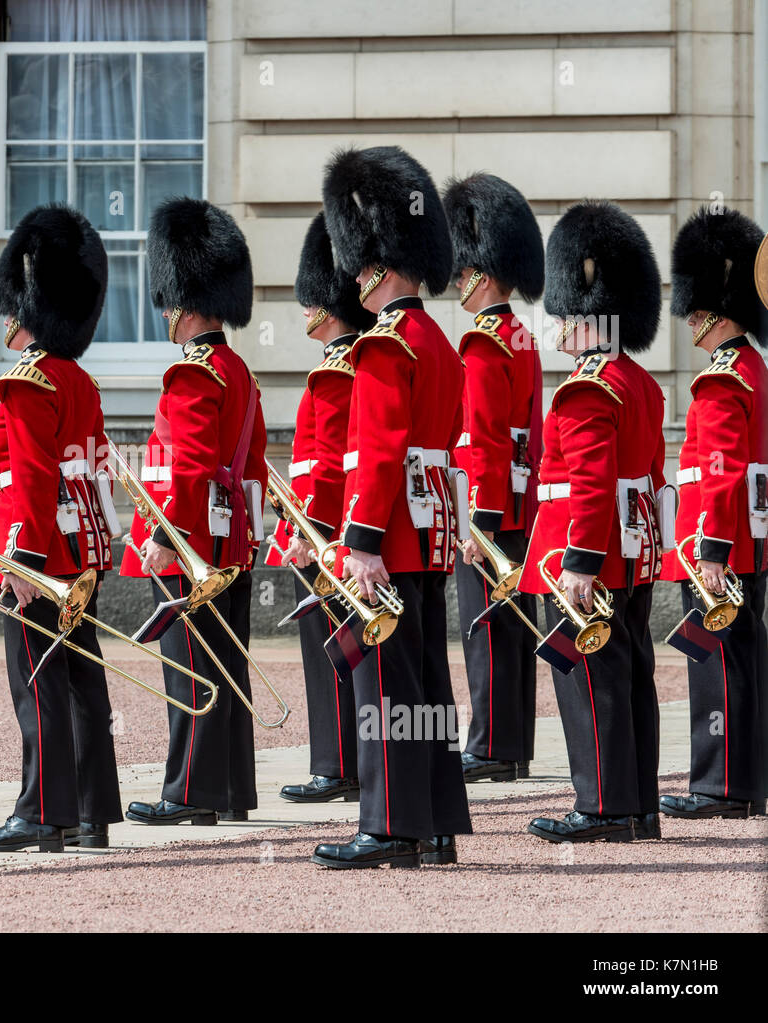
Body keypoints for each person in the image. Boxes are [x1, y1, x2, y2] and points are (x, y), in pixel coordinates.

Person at [312, 145, 472, 869]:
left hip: (392, 537)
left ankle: (387, 826)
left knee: (386, 683)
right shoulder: (437, 343)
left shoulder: (384, 346)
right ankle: (434, 823)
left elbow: (375, 452)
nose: (352, 276)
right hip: (430, 535)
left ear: (375, 264)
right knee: (427, 680)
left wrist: (362, 540)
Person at [0, 204, 124, 853]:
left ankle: (41, 811)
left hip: (38, 556)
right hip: (79, 550)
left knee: (38, 684)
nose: (7, 317)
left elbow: (31, 476)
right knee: (82, 680)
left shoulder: (28, 381)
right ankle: (89, 810)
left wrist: (22, 564)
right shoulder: (78, 378)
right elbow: (96, 467)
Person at [521, 201, 667, 844]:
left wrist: (579, 561)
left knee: (590, 682)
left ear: (585, 315)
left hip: (585, 559)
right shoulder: (640, 383)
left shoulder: (587, 387)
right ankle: (637, 807)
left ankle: (603, 809)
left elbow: (589, 482)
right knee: (630, 677)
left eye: (562, 316)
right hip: (631, 553)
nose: (554, 326)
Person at [121, 197, 267, 827]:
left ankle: (189, 793)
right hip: (229, 540)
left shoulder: (192, 374)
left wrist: (162, 532)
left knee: (189, 671)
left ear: (180, 302)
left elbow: (189, 464)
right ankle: (229, 789)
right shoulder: (238, 371)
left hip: (190, 544)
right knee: (224, 666)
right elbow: (251, 467)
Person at [658, 208, 767, 821]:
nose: (691, 320)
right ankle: (743, 781)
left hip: (718, 548)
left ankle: (719, 786)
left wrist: (710, 552)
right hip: (743, 545)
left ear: (719, 310)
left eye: (698, 310)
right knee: (742, 663)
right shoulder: (752, 369)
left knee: (718, 668)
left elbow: (720, 473)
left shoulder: (722, 379)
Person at [442, 172, 545, 782]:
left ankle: (490, 746)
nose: (456, 281)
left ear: (480, 273)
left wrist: (475, 520)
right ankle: (512, 746)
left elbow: (479, 439)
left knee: (484, 630)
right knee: (510, 631)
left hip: (488, 509)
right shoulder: (523, 338)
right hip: (521, 503)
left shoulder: (482, 345)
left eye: (461, 272)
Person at [270, 214, 373, 804]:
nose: (304, 308)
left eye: (312, 299)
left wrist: (309, 530)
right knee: (345, 647)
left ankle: (336, 766)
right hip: (329, 530)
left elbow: (329, 466)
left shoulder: (336, 371)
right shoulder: (348, 363)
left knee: (332, 652)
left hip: (327, 537)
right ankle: (345, 764)